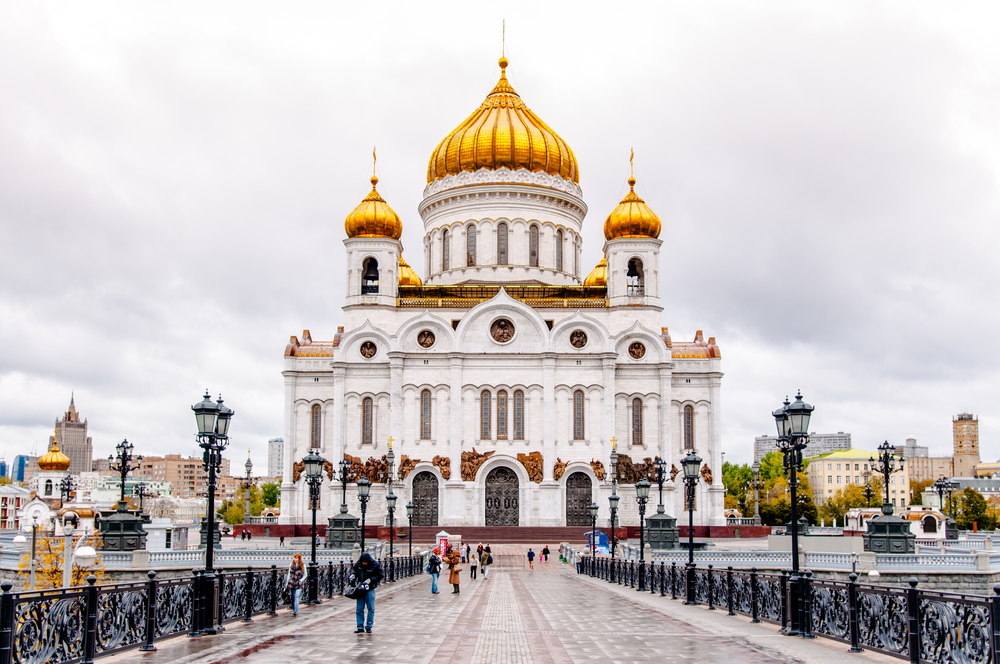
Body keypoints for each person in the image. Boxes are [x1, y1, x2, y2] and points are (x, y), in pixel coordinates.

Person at [352, 551, 384, 633]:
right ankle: (360, 627)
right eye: (363, 562)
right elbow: (354, 569)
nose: (364, 564)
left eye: (365, 562)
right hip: (360, 589)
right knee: (359, 609)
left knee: (371, 608)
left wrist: (371, 579)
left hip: (370, 588)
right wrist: (353, 575)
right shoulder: (359, 563)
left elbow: (380, 575)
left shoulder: (375, 564)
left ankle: (369, 626)